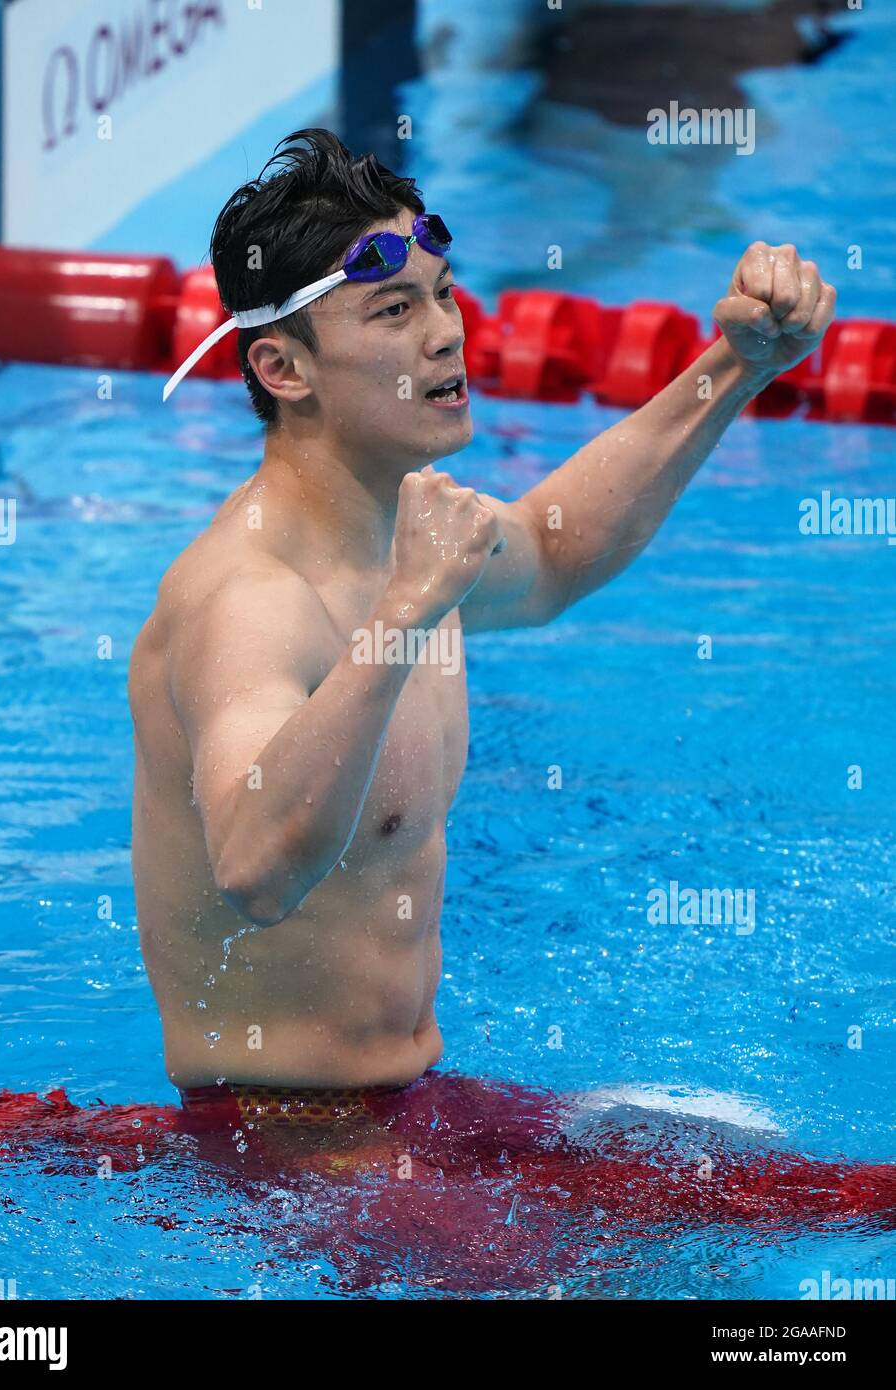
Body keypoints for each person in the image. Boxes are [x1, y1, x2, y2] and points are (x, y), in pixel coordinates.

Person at [130, 127, 836, 1152]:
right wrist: (401, 615)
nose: (445, 333)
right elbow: (257, 867)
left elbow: (554, 557)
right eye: (392, 308)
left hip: (405, 1108)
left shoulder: (406, 530)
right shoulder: (248, 599)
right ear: (282, 367)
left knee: (777, 1167)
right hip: (288, 1147)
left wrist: (736, 366)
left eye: (442, 294)